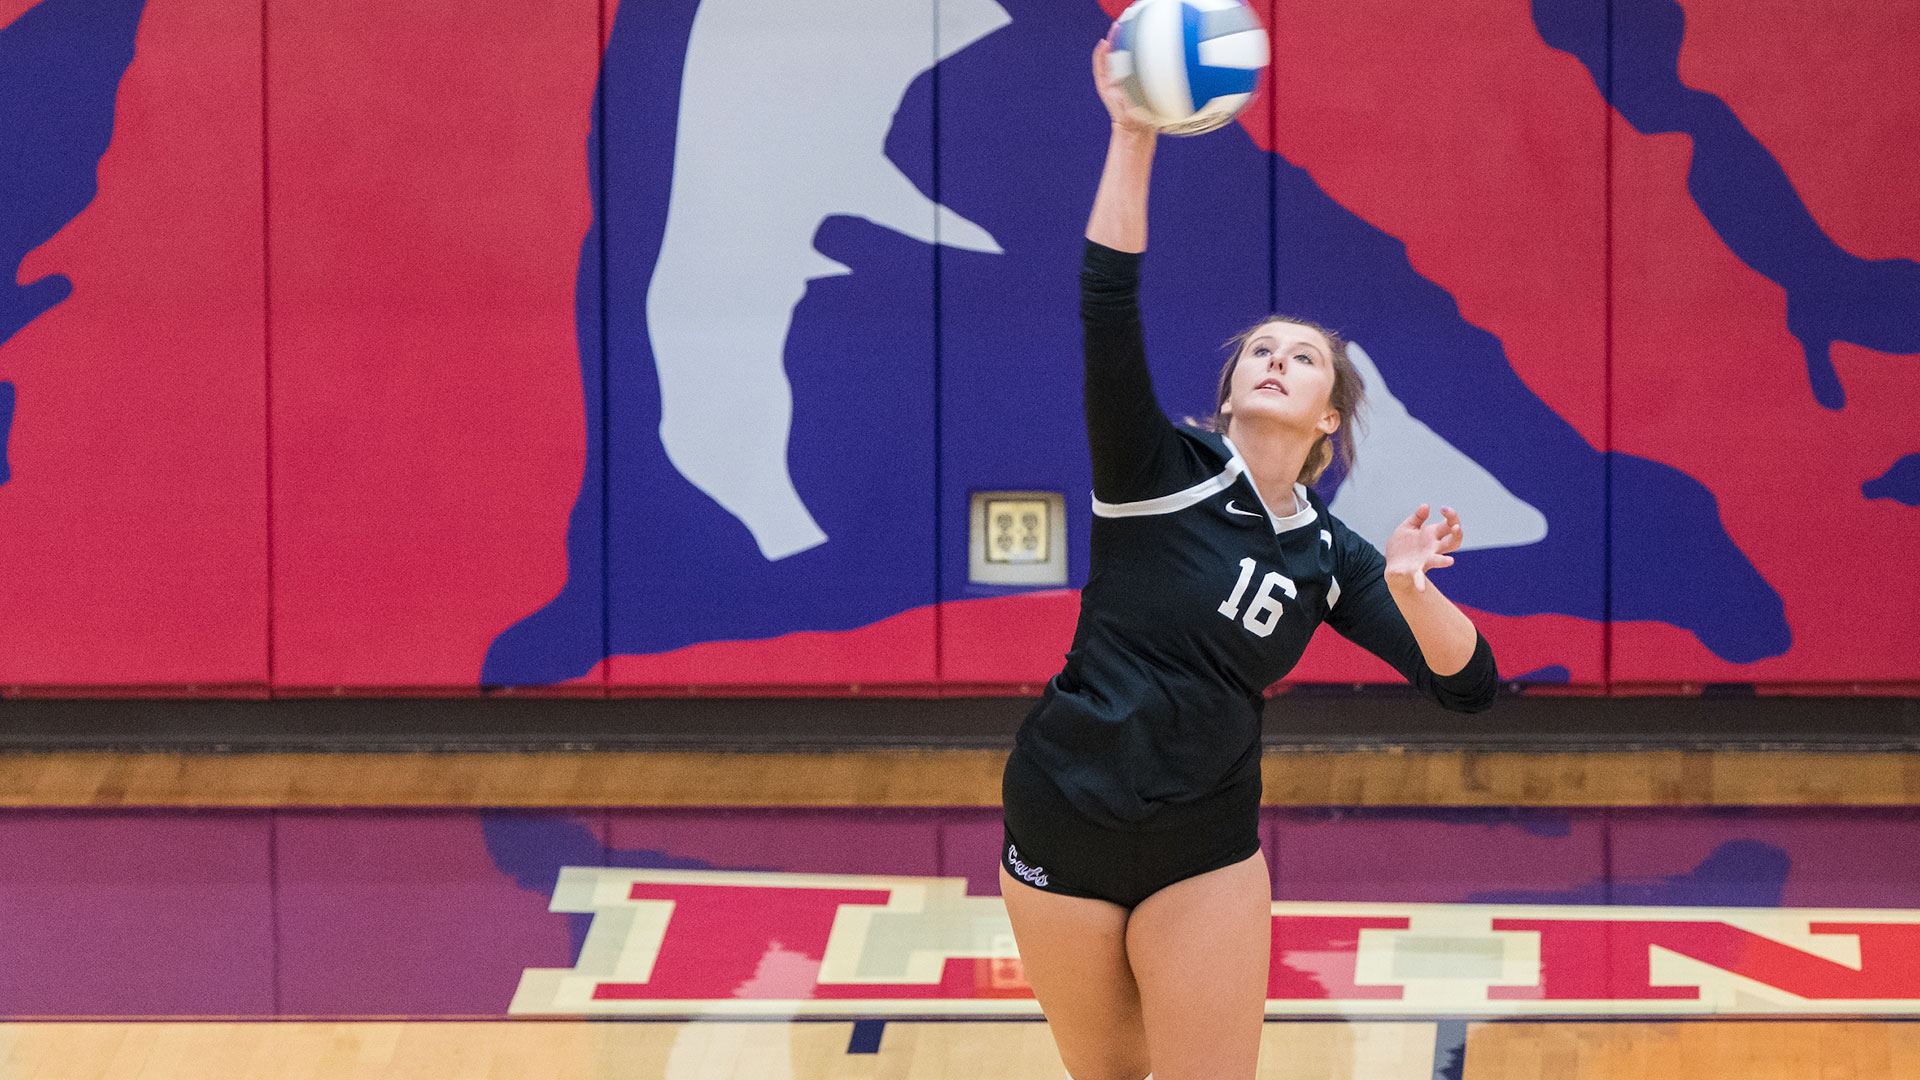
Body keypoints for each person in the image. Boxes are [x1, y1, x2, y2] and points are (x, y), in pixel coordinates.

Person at [996, 40, 1501, 1080]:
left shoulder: (1328, 554)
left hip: (1201, 846)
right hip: (1063, 813)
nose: (1276, 360)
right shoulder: (1158, 470)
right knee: (1108, 1076)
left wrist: (1407, 588)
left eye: (1302, 356)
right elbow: (1105, 306)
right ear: (1229, 394)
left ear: (1328, 419)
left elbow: (1468, 687)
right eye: (1259, 352)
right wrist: (1133, 133)